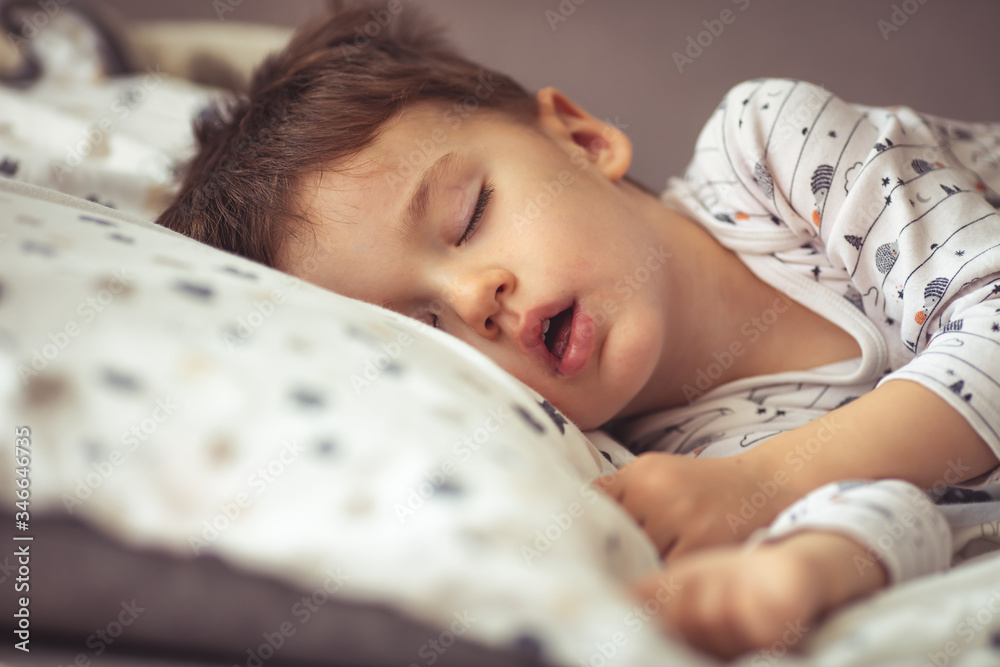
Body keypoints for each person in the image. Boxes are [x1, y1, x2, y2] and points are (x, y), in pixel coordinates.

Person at [156, 3, 1000, 660]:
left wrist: (765, 483)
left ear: (583, 138)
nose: (473, 297)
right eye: (423, 325)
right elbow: (936, 508)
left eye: (469, 214)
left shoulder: (772, 155)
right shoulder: (670, 458)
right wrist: (799, 568)